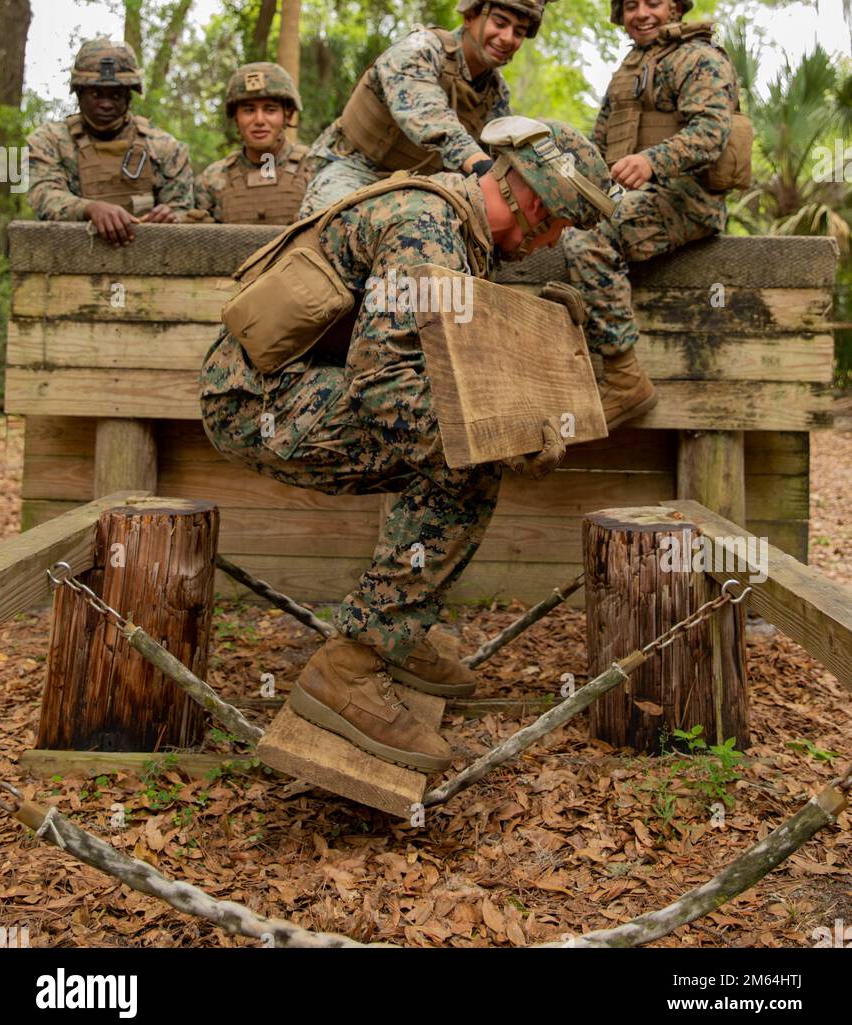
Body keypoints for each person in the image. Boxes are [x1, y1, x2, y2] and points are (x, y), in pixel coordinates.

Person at [200, 117, 614, 772]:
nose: (554, 241)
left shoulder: (459, 230)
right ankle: (352, 667)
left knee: (463, 450)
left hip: (302, 387)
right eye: (559, 225)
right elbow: (385, 391)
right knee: (465, 465)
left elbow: (445, 360)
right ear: (535, 202)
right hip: (259, 404)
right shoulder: (426, 225)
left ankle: (394, 628)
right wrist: (502, 443)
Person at [563, 0, 745, 430]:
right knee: (561, 225)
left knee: (588, 239)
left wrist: (651, 161)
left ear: (676, 7)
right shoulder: (628, 69)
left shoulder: (698, 57)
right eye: (631, 6)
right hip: (638, 199)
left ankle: (624, 378)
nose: (642, 13)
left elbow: (711, 134)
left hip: (690, 198)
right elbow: (599, 144)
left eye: (653, 2)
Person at [298, 0, 568, 217]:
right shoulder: (421, 49)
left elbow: (503, 155)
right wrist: (476, 161)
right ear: (471, 15)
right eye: (500, 23)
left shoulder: (495, 92)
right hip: (353, 169)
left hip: (419, 188)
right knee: (341, 230)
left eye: (519, 32)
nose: (508, 38)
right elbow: (426, 112)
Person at [26, 39, 194, 245]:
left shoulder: (164, 147)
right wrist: (90, 209)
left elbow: (184, 208)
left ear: (129, 96)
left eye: (115, 95)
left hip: (149, 256)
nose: (106, 104)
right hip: (72, 257)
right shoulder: (49, 141)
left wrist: (172, 216)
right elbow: (43, 195)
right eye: (95, 94)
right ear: (79, 93)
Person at [193, 62, 311, 223]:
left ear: (287, 115)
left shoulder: (313, 170)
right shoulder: (212, 179)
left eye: (270, 110)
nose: (259, 120)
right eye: (249, 110)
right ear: (236, 117)